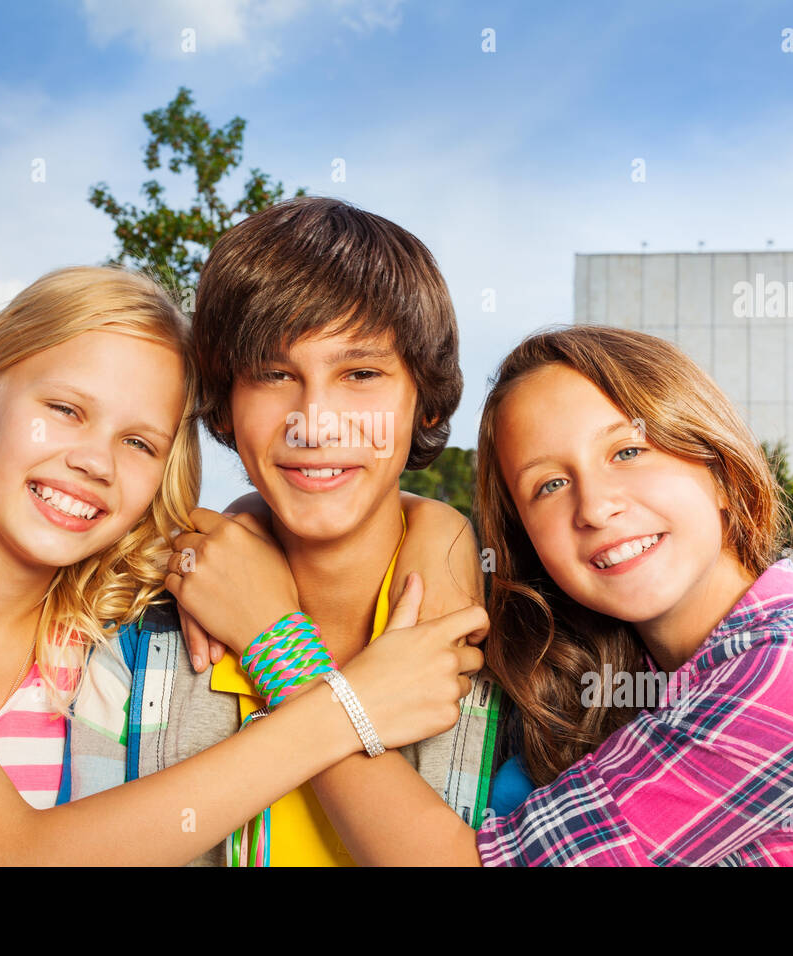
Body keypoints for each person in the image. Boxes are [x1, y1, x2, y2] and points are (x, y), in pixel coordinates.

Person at [0, 265, 484, 866]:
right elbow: (7, 855)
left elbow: (276, 532)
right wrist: (342, 700)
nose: (94, 463)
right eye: (64, 410)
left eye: (138, 442)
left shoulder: (102, 624)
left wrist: (444, 532)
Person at [178, 325, 793, 866]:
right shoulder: (640, 678)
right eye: (549, 484)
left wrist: (277, 641)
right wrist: (252, 518)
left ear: (724, 474)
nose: (594, 506)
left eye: (629, 450)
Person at [63, 197, 503, 866]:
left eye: (360, 373)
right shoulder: (136, 649)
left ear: (425, 401)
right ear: (226, 407)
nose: (315, 422)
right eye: (274, 375)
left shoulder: (521, 661)